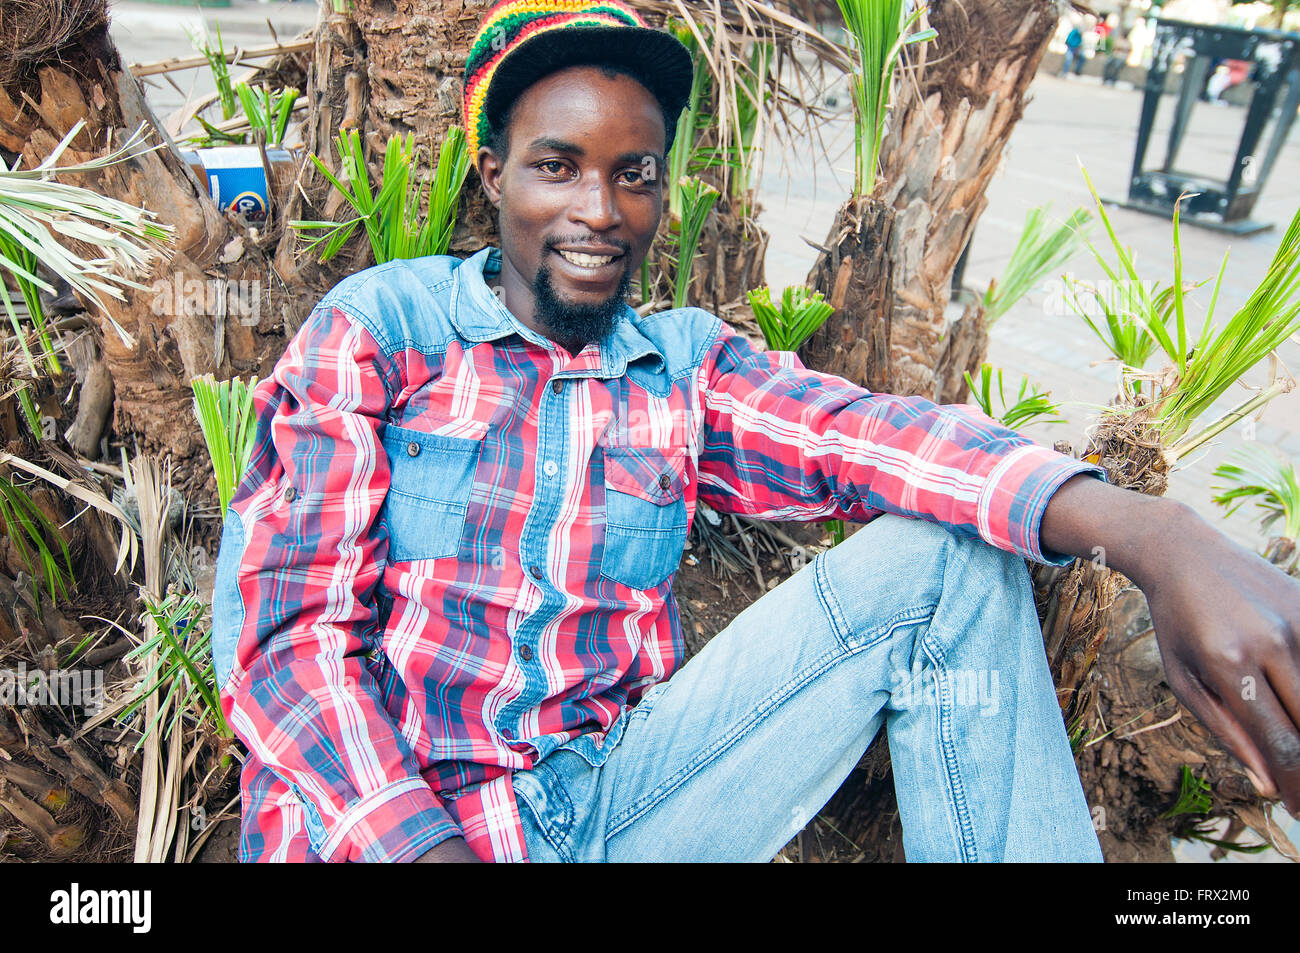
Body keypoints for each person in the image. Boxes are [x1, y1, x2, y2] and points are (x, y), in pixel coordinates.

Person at [213, 0, 1300, 863]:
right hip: (396, 833)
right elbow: (280, 652)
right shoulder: (381, 332)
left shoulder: (678, 367)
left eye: (632, 174)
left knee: (943, 562)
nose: (598, 206)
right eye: (557, 165)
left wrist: (1159, 535)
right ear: (494, 173)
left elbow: (864, 438)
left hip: (607, 807)